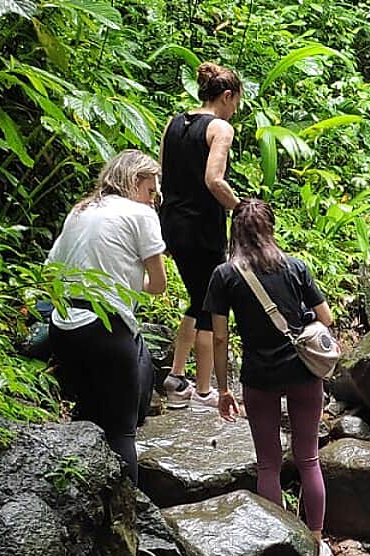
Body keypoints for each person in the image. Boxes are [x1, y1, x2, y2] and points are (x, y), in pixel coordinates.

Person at [205, 200, 331, 539]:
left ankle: (282, 541)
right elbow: (326, 317)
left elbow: (219, 337)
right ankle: (316, 538)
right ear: (271, 229)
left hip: (260, 377)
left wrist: (223, 389)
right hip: (304, 372)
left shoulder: (225, 274)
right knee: (308, 459)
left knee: (268, 463)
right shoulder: (295, 267)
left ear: (236, 232)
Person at [48, 150, 167, 484]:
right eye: (151, 190)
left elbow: (50, 271)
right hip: (106, 330)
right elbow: (158, 284)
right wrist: (129, 282)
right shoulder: (139, 214)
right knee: (121, 431)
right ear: (134, 181)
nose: (153, 199)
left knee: (85, 417)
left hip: (63, 326)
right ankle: (129, 520)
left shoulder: (79, 210)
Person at [158, 61, 242, 409]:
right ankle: (205, 391)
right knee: (210, 305)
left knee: (197, 299)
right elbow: (213, 180)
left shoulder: (173, 123)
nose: (236, 109)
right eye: (236, 101)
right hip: (203, 228)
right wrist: (241, 207)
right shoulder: (220, 128)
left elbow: (163, 173)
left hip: (173, 224)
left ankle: (177, 378)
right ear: (226, 96)